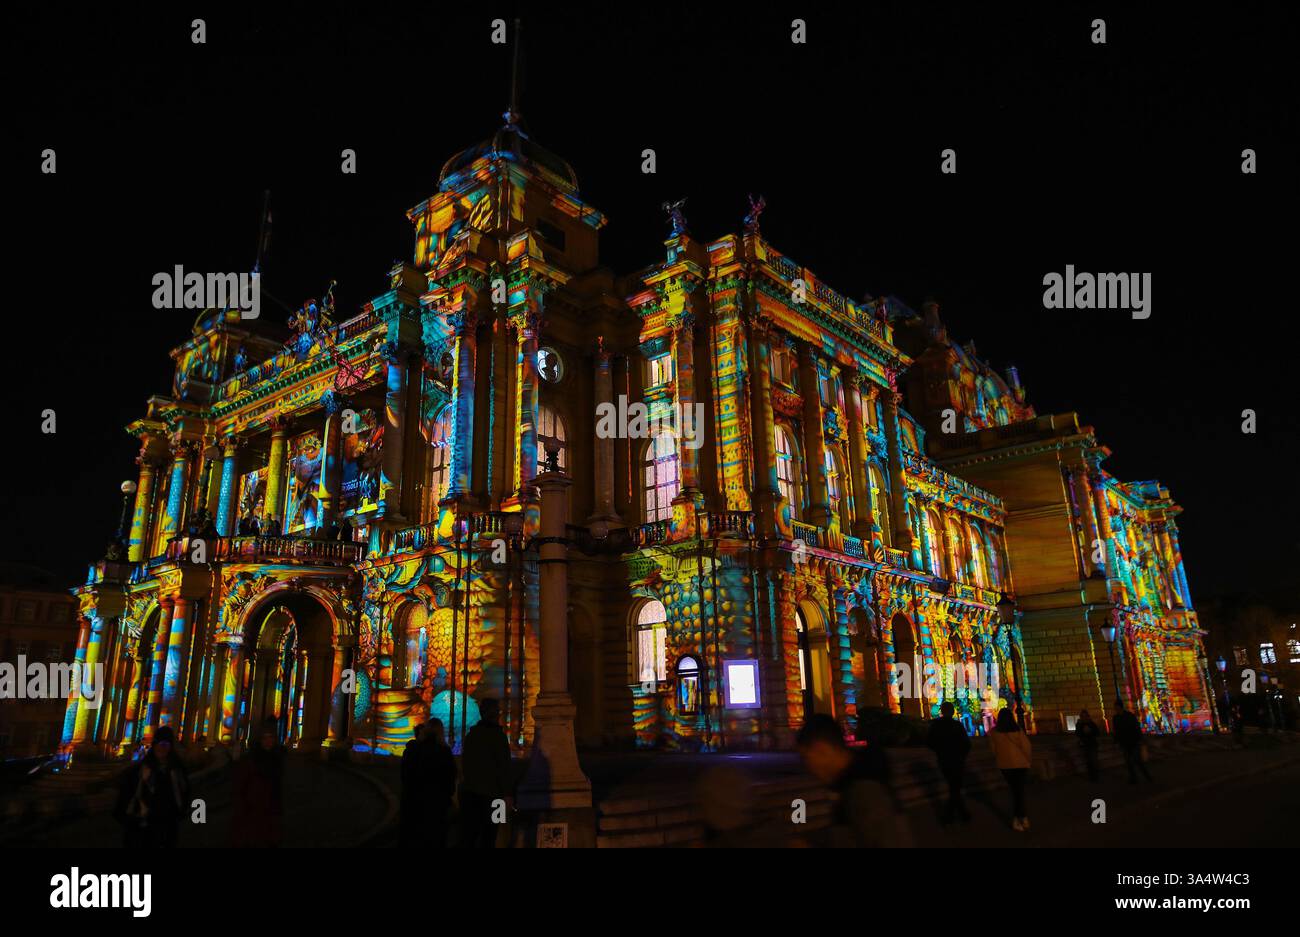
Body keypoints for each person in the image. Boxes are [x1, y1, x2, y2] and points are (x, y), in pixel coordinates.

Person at [796, 714, 911, 847]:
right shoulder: (849, 786)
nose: (807, 767)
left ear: (822, 749)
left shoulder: (864, 792)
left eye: (806, 758)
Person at [113, 725, 192, 847]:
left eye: (165, 744)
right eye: (158, 743)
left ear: (170, 747)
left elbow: (184, 793)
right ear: (154, 745)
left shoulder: (177, 771)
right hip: (140, 828)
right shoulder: (140, 770)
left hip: (166, 829)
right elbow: (126, 795)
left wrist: (179, 813)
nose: (162, 747)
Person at [457, 699, 513, 848]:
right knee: (492, 835)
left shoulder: (471, 736)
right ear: (495, 714)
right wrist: (508, 795)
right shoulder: (499, 737)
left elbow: (465, 765)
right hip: (496, 797)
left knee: (470, 836)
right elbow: (505, 768)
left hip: (471, 794)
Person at [230, 718, 284, 847]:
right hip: (252, 811)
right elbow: (240, 787)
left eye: (271, 737)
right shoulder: (250, 760)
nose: (268, 741)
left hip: (270, 812)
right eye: (265, 738)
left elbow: (278, 787)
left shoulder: (277, 759)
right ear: (259, 740)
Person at [926, 701, 971, 823]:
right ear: (952, 712)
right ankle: (957, 814)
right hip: (957, 760)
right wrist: (962, 755)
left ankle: (953, 814)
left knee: (954, 787)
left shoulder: (936, 726)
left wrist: (939, 750)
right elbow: (966, 744)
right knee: (955, 786)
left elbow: (930, 742)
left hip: (944, 759)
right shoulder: (957, 726)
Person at [987, 708, 1032, 831]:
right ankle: (1020, 818)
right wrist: (1028, 760)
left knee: (1016, 792)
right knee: (1019, 792)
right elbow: (1027, 747)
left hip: (1005, 765)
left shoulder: (994, 733)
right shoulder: (1017, 730)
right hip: (1021, 764)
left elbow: (993, 750)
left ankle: (1020, 818)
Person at [1113, 699, 1152, 783]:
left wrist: (1140, 739)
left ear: (1120, 707)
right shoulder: (1115, 718)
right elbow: (1116, 731)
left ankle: (1147, 777)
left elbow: (1136, 728)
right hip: (1124, 743)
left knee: (1138, 761)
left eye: (1117, 707)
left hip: (1133, 741)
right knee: (1128, 762)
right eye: (1115, 708)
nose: (1116, 709)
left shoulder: (1129, 716)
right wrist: (1116, 742)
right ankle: (1133, 778)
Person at [1075, 709, 1102, 781]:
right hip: (1085, 745)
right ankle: (1092, 776)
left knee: (1093, 760)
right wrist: (1079, 726)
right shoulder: (1079, 724)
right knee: (1088, 761)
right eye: (1082, 716)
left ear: (1087, 716)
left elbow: (1097, 733)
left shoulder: (1091, 724)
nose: (1084, 718)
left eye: (1085, 716)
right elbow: (1077, 734)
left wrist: (1090, 731)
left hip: (1092, 744)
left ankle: (1096, 776)